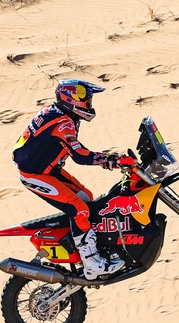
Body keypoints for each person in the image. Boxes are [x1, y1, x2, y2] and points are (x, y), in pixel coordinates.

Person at [12, 79, 125, 280]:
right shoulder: (62, 122)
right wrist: (108, 159)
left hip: (49, 170)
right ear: (71, 100)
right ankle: (91, 263)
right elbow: (80, 156)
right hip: (35, 175)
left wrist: (106, 159)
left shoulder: (57, 112)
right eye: (86, 100)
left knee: (86, 198)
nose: (89, 104)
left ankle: (81, 247)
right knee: (79, 209)